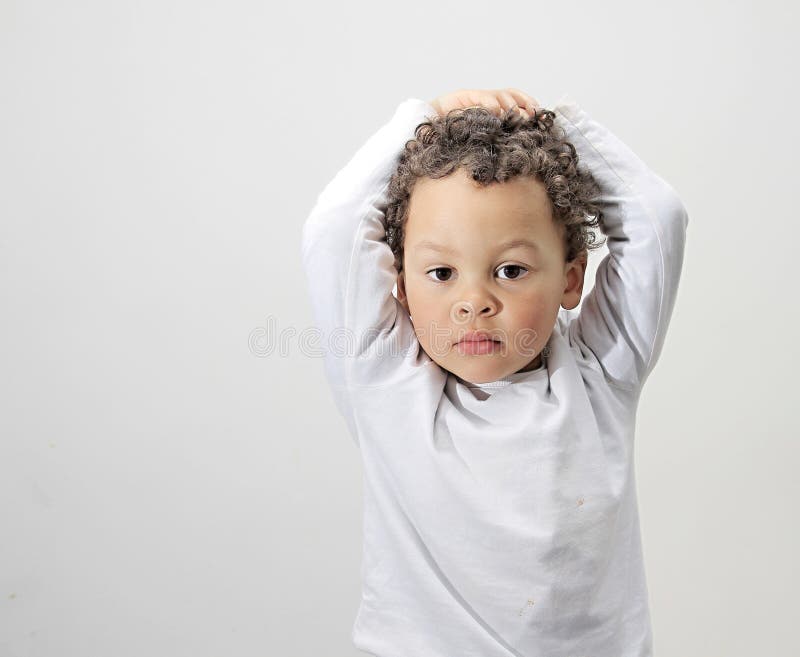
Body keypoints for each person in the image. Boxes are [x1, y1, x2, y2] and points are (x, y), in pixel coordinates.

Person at [300, 87, 688, 657]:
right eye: (440, 272)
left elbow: (658, 217)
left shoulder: (600, 374)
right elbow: (334, 229)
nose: (473, 301)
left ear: (570, 279)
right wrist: (421, 120)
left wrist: (560, 128)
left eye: (510, 269)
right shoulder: (385, 384)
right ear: (400, 284)